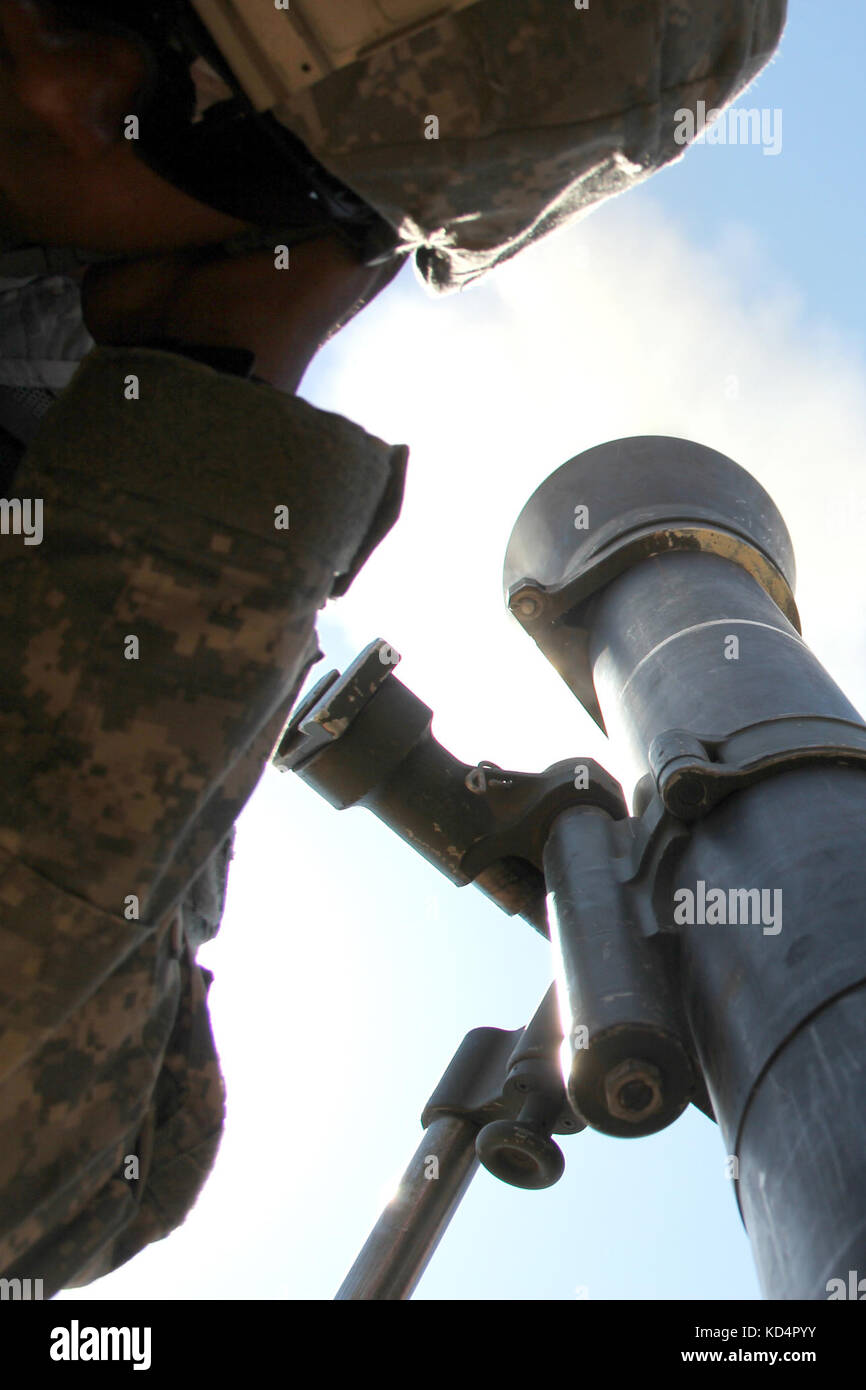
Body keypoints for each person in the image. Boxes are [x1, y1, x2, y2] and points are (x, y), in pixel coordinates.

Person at [0, 0, 787, 1295]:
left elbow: (63, 1174)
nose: (61, 84)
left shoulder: (87, 491)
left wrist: (195, 437)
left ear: (326, 249)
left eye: (209, 135)